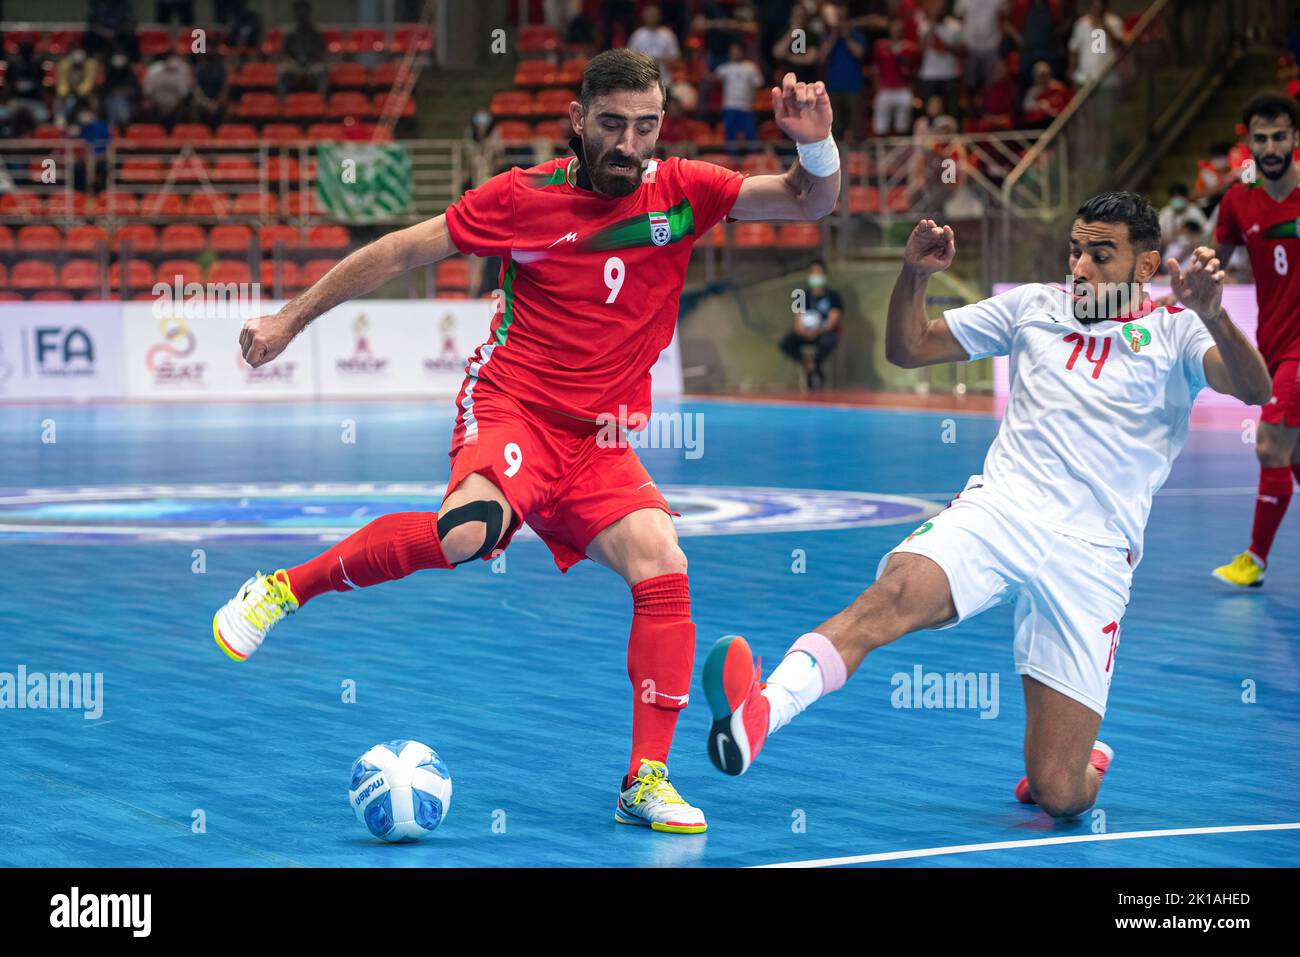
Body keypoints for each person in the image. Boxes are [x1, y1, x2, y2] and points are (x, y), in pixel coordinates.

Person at [213, 50, 840, 836]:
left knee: (664, 561)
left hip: (602, 440)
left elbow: (809, 201)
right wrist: (287, 320)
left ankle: (646, 780)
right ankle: (282, 588)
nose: (628, 143)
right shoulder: (522, 197)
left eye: (645, 126)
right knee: (468, 536)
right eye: (611, 124)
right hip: (514, 408)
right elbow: (400, 250)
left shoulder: (685, 190)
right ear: (578, 121)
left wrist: (816, 145)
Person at [703, 192, 1270, 818]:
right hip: (999, 513)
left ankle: (1086, 758)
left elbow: (1254, 388)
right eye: (1076, 251)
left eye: (1100, 256)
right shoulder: (1033, 307)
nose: (1079, 268)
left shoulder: (1176, 332)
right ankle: (762, 709)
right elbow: (909, 348)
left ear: (1145, 266)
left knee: (1061, 794)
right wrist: (914, 275)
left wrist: (1215, 316)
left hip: (1095, 557)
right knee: (891, 598)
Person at [1210, 93, 1300, 588]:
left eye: (1279, 136)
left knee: (1269, 445)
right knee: (1296, 454)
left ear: (1295, 139)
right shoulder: (1238, 201)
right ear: (1248, 143)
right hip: (1270, 341)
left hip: (1299, 352)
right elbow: (1212, 262)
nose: (1270, 146)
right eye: (1260, 138)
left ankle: (1255, 561)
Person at [779, 259, 844, 389]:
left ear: (824, 275)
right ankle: (809, 366)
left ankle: (816, 367)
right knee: (787, 343)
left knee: (828, 341)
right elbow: (797, 321)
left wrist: (818, 330)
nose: (816, 276)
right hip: (805, 332)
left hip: (823, 332)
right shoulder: (801, 296)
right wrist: (803, 331)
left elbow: (832, 321)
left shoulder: (833, 297)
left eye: (818, 273)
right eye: (813, 273)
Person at [819, 1, 868, 141]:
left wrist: (846, 36)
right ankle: (836, 159)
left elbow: (860, 54)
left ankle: (859, 157)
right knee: (834, 128)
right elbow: (822, 57)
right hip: (834, 87)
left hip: (855, 87)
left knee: (857, 126)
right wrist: (834, 36)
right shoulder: (828, 36)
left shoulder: (856, 35)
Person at [871, 17, 916, 136]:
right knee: (880, 120)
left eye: (899, 28)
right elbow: (875, 69)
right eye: (894, 28)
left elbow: (913, 71)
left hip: (903, 89)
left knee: (903, 120)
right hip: (885, 89)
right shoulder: (880, 46)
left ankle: (901, 148)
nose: (896, 31)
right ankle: (881, 147)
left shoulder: (909, 48)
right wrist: (878, 89)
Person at [715, 41, 764, 148]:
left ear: (742, 52)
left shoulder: (751, 67)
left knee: (751, 136)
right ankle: (731, 160)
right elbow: (712, 78)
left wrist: (752, 103)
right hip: (730, 106)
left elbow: (756, 86)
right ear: (729, 53)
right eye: (732, 51)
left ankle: (754, 158)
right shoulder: (724, 68)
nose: (735, 53)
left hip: (745, 107)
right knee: (730, 137)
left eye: (737, 50)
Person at [280, 0, 328, 96]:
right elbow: (285, 54)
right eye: (298, 10)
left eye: (304, 9)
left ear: (309, 12)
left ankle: (321, 102)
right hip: (294, 65)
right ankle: (282, 105)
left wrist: (310, 63)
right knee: (282, 71)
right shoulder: (289, 34)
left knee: (321, 71)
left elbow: (321, 53)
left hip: (312, 65)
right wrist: (294, 63)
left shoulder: (316, 33)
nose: (301, 13)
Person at [628, 5, 680, 87]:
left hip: (664, 81)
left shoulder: (668, 35)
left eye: (654, 14)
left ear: (660, 16)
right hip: (642, 82)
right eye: (649, 14)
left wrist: (660, 60)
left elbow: (676, 60)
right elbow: (629, 59)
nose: (651, 17)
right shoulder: (637, 35)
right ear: (643, 16)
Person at [1157, 182, 1207, 247]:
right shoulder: (1165, 212)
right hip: (1168, 248)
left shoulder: (1195, 211)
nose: (1177, 199)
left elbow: (1204, 232)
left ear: (1186, 198)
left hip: (1191, 249)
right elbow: (1158, 232)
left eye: (1179, 196)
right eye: (1174, 196)